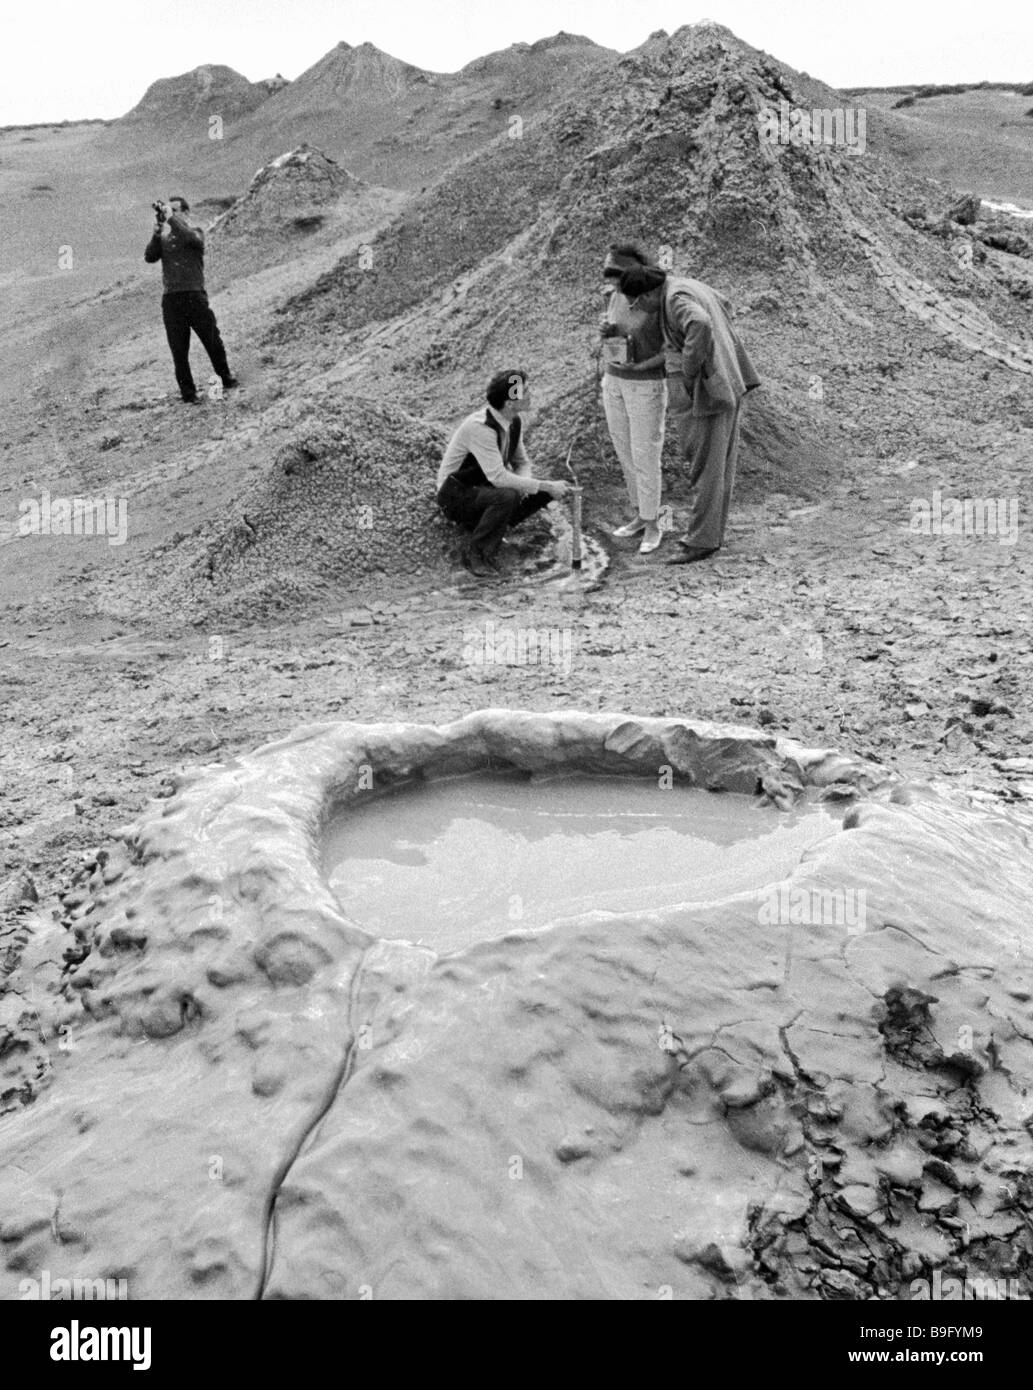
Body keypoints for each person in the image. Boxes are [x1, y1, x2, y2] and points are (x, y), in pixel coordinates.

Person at [617, 265, 760, 563]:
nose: (638, 308)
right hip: (726, 382)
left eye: (636, 302)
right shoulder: (686, 285)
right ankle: (710, 536)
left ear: (649, 292)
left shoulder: (674, 299)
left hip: (707, 391)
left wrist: (690, 367)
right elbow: (723, 305)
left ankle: (700, 541)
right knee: (719, 466)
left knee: (705, 467)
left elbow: (700, 321)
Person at [436, 369, 570, 578]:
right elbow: (498, 477)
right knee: (511, 495)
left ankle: (495, 526)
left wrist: (531, 486)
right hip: (455, 495)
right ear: (509, 403)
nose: (530, 393)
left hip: (482, 489)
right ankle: (476, 554)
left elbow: (521, 462)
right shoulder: (481, 428)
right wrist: (541, 485)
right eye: (524, 391)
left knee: (537, 491)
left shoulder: (512, 421)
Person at [599, 243, 668, 554]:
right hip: (614, 379)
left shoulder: (655, 297)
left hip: (645, 385)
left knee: (645, 454)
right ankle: (640, 514)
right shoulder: (614, 295)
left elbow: (670, 348)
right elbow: (616, 329)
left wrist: (642, 365)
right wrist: (607, 329)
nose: (613, 283)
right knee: (624, 450)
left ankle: (655, 523)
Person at [144, 196, 238, 404]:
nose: (173, 214)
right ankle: (188, 393)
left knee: (212, 340)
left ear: (186, 213)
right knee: (179, 349)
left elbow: (189, 238)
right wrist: (156, 232)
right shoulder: (167, 239)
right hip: (172, 300)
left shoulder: (195, 233)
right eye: (171, 211)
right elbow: (149, 257)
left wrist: (171, 219)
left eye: (176, 210)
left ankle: (226, 377)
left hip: (194, 295)